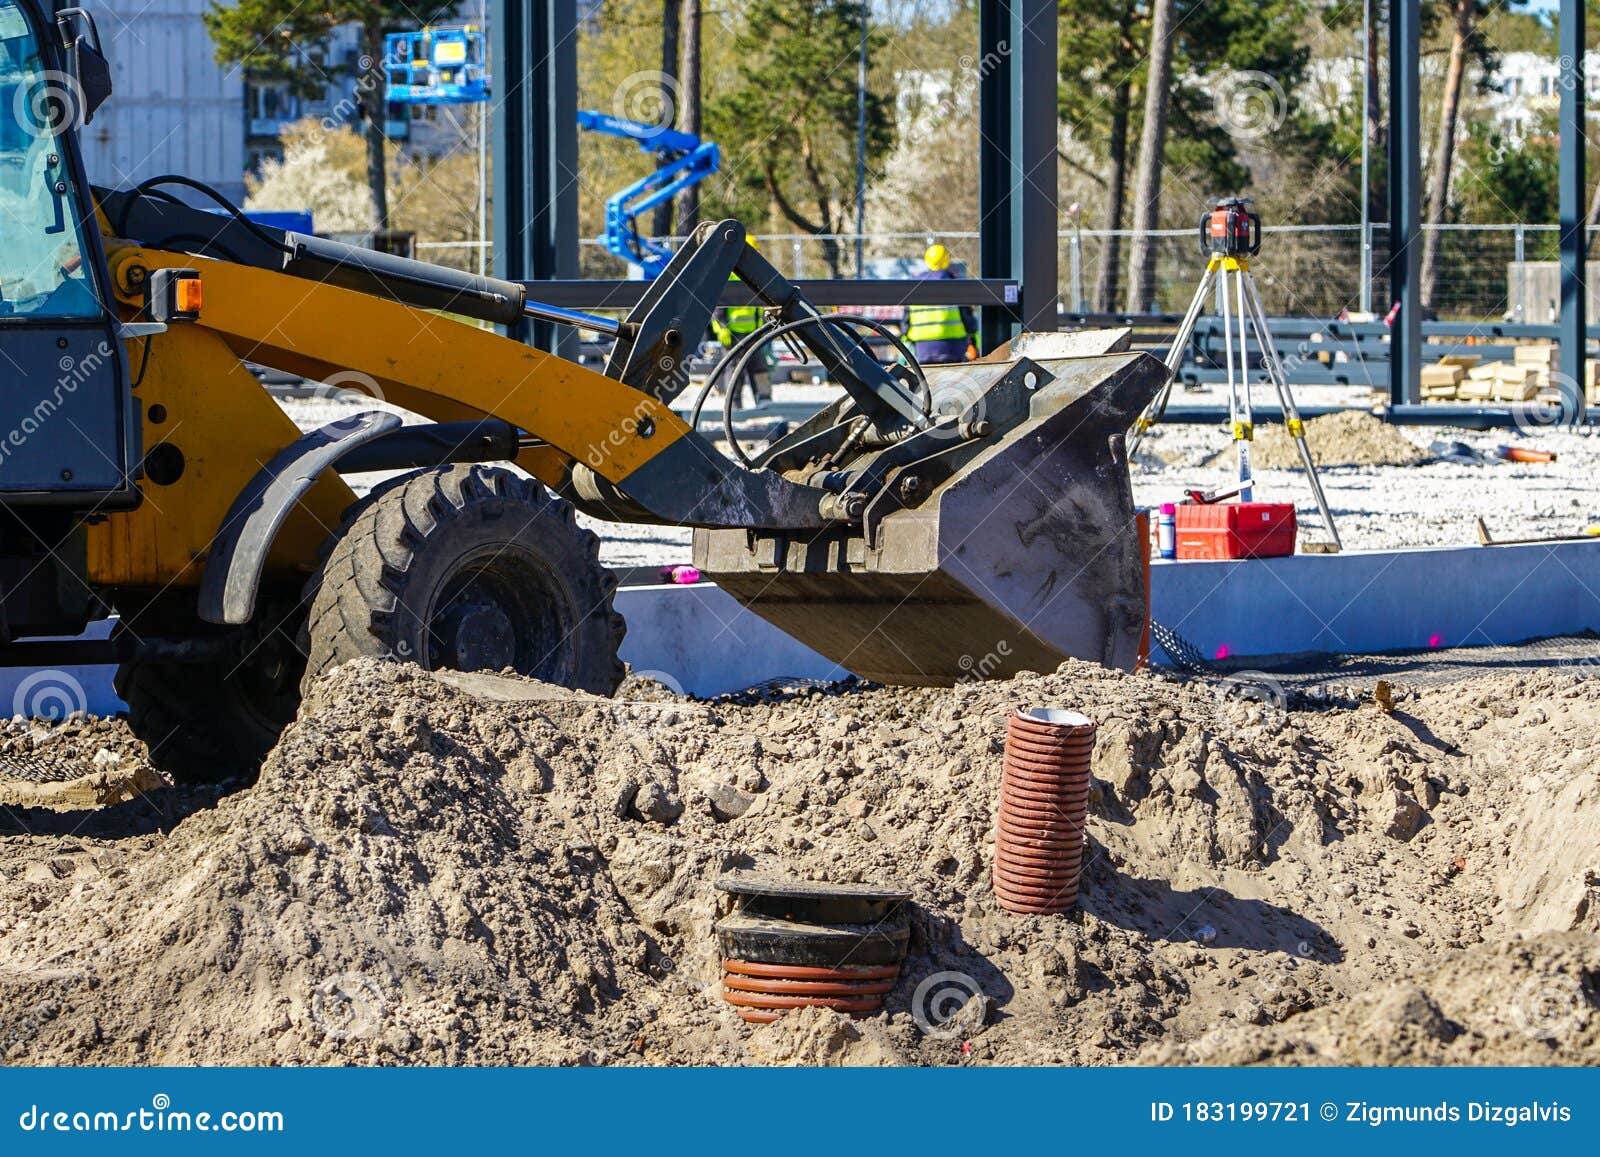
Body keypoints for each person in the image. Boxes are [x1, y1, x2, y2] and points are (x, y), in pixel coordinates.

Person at [711, 237, 774, 406]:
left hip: (754, 330)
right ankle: (734, 403)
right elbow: (718, 305)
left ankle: (764, 398)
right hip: (733, 331)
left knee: (759, 365)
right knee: (734, 368)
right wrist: (722, 329)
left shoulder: (755, 275)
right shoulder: (727, 274)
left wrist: (764, 326)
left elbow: (761, 303)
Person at [905, 243, 976, 364]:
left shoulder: (915, 286)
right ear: (947, 260)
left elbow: (906, 321)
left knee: (926, 381)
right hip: (953, 348)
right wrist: (973, 339)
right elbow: (967, 318)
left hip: (922, 349)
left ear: (927, 261)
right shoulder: (954, 284)